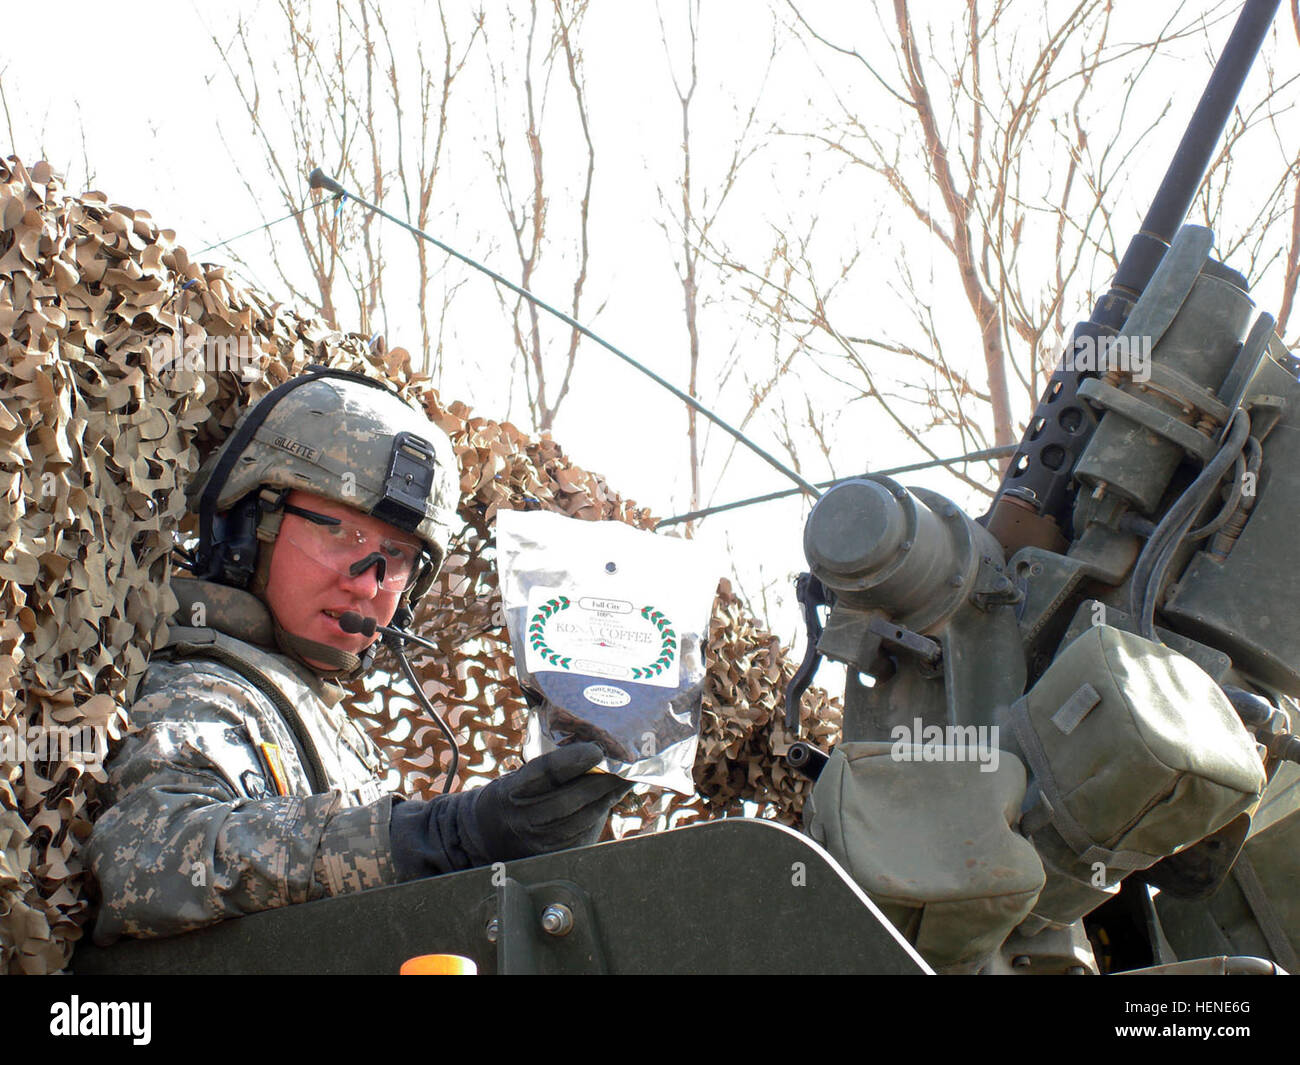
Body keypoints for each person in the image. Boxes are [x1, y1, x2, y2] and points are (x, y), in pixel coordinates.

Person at [85, 366, 629, 943]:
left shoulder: (336, 732)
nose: (367, 585)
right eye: (338, 533)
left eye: (394, 558)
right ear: (251, 526)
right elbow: (144, 860)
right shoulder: (198, 688)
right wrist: (435, 837)